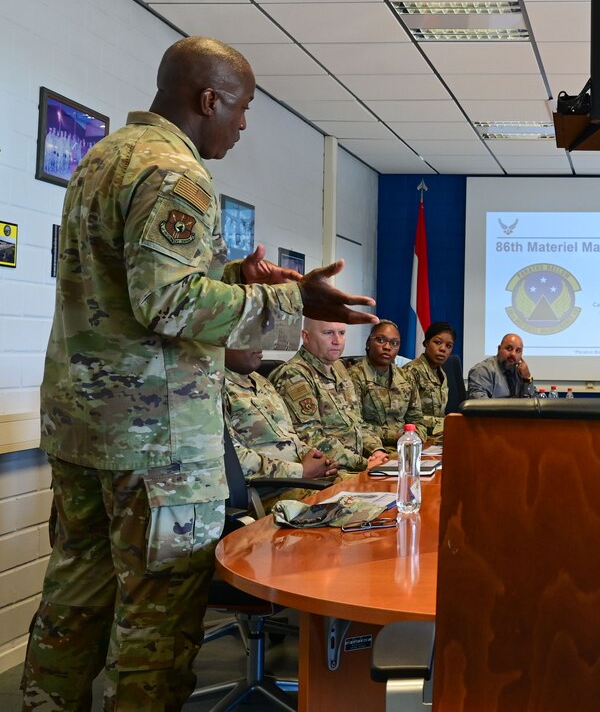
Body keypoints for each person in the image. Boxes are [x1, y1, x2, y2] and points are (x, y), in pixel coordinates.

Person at [22, 36, 376, 712]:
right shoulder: (175, 173)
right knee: (154, 628)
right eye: (240, 109)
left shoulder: (102, 159)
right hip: (156, 442)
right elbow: (168, 302)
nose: (242, 126)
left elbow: (129, 287)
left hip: (82, 427)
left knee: (73, 602)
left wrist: (231, 276)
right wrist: (288, 299)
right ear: (207, 98)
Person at [270, 319, 390, 471]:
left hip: (357, 466)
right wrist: (363, 463)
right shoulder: (294, 375)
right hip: (329, 472)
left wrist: (376, 450)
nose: (337, 341)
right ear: (306, 337)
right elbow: (311, 439)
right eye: (328, 333)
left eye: (341, 333)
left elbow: (357, 423)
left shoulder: (338, 367)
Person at [224, 347, 338, 503]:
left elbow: (288, 437)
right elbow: (233, 461)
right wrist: (300, 471)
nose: (260, 344)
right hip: (272, 493)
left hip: (304, 482)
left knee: (362, 489)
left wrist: (319, 461)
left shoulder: (261, 381)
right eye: (248, 338)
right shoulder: (214, 388)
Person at [348, 320, 412, 446]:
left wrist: (414, 438)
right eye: (381, 340)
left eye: (394, 343)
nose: (387, 347)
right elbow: (355, 425)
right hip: (372, 449)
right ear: (368, 343)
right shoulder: (354, 377)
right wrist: (397, 437)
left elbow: (416, 420)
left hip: (406, 445)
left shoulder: (406, 376)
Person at [402, 322, 456, 441]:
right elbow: (406, 416)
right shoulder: (411, 371)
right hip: (415, 437)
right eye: (437, 342)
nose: (443, 349)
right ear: (426, 342)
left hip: (436, 437)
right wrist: (446, 423)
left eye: (449, 346)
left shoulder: (441, 373)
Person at [467, 333, 537, 399]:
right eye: (509, 348)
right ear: (499, 349)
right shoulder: (482, 371)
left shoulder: (520, 372)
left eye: (518, 351)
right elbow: (479, 405)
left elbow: (535, 404)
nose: (513, 354)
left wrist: (527, 378)